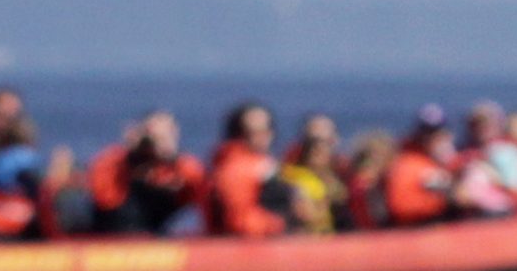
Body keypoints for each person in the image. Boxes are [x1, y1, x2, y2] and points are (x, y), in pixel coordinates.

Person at [84, 110, 200, 235]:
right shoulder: (116, 164)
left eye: (167, 135)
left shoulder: (179, 167)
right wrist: (131, 156)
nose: (158, 142)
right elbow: (104, 196)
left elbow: (197, 188)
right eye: (154, 136)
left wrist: (171, 158)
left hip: (159, 242)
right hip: (115, 240)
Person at [0, 85, 51, 239]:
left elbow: (41, 187)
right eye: (3, 115)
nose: (9, 122)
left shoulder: (23, 157)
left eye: (14, 116)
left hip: (19, 230)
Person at [197, 101, 285, 239]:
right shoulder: (238, 168)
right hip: (242, 249)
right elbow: (240, 221)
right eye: (252, 132)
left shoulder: (229, 163)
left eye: (265, 130)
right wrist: (281, 224)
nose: (262, 137)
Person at [376, 105, 461, 226]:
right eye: (429, 134)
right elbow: (400, 206)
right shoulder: (407, 163)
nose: (436, 139)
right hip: (413, 229)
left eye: (439, 134)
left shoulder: (438, 162)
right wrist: (443, 202)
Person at [275, 113, 349, 234]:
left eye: (326, 142)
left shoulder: (345, 171)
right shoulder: (289, 176)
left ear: (335, 140)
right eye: (312, 143)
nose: (319, 148)